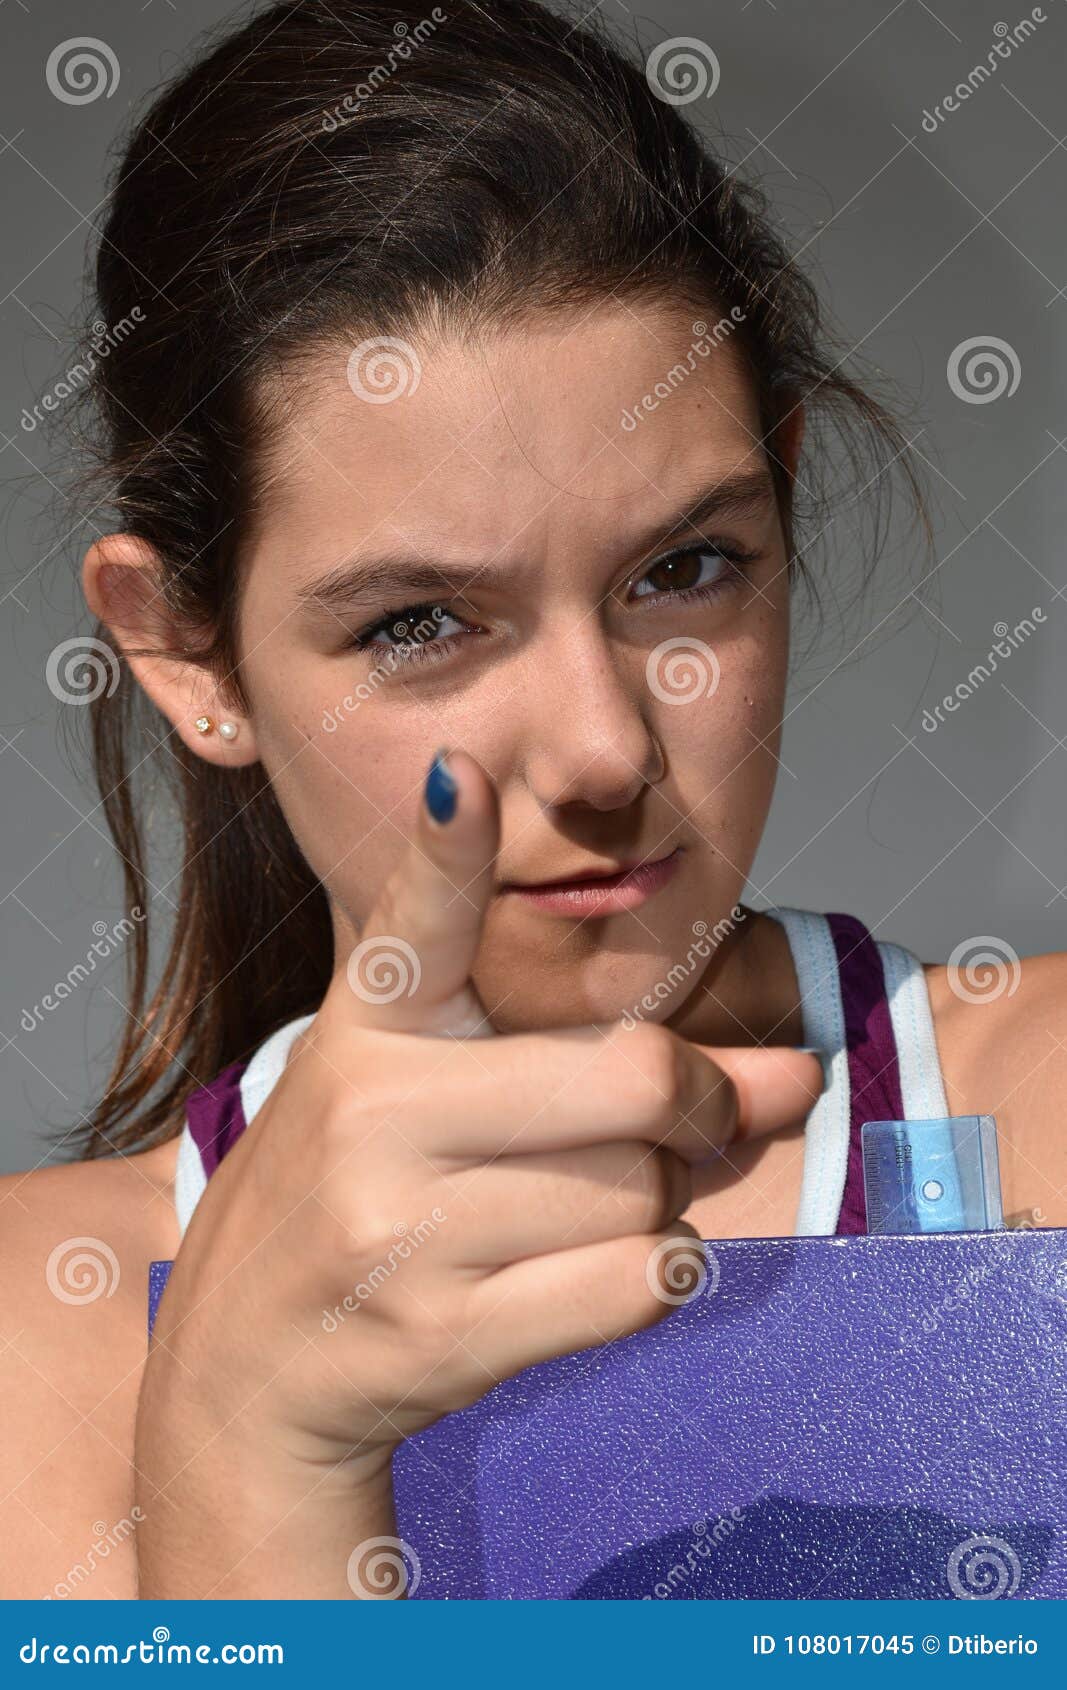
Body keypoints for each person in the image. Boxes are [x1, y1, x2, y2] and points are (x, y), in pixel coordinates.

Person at [2, 0, 1063, 1600]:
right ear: (183, 653)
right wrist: (240, 1448)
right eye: (419, 621)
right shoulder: (42, 1336)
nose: (601, 750)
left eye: (682, 569)